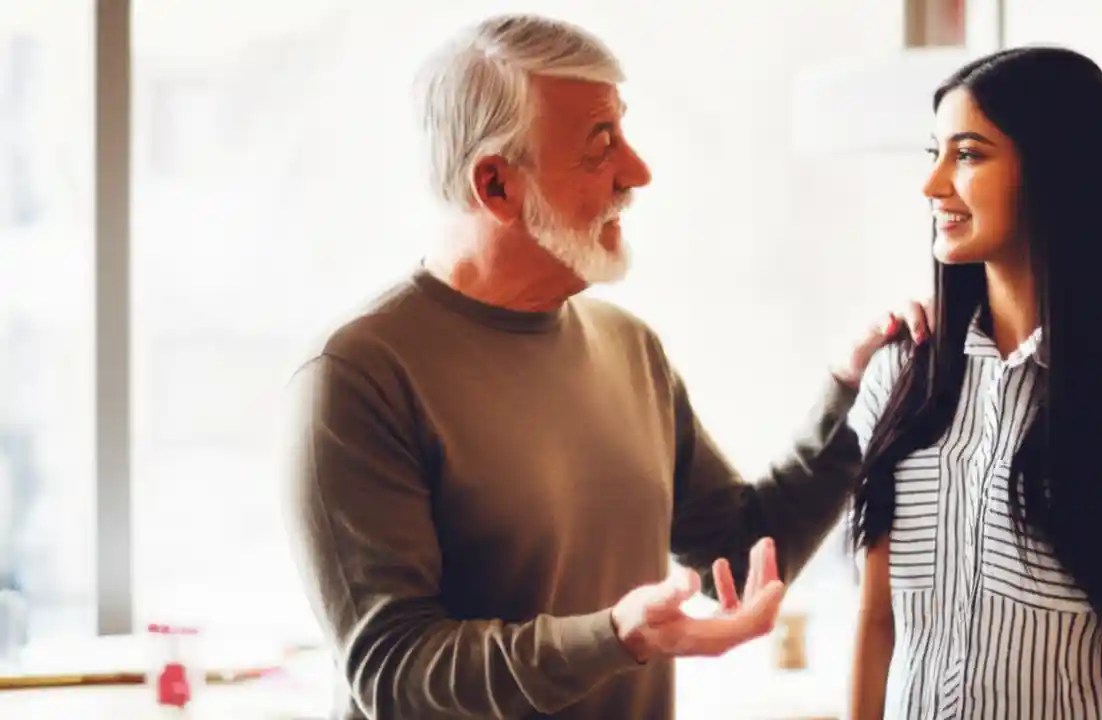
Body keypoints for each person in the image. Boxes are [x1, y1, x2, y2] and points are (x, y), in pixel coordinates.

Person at [286, 14, 928, 720]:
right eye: (601, 147)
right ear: (496, 186)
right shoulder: (358, 375)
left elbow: (739, 555)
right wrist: (615, 637)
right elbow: (396, 672)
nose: (638, 171)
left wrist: (850, 395)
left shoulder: (631, 346)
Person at [845, 47, 1102, 720]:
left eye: (968, 154)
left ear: (1057, 173)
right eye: (934, 152)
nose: (933, 184)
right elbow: (876, 623)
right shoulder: (903, 373)